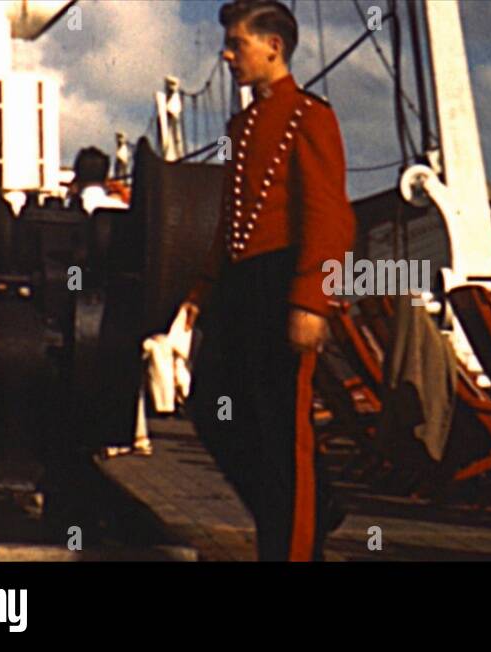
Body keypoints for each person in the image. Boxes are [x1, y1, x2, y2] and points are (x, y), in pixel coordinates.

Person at [179, 0, 355, 561]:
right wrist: (201, 292)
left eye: (237, 43)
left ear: (273, 46)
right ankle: (315, 504)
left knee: (283, 433)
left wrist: (313, 300)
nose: (227, 55)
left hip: (283, 283)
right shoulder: (244, 123)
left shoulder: (309, 115)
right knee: (212, 406)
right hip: (240, 289)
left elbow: (330, 216)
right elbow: (232, 219)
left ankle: (293, 544)